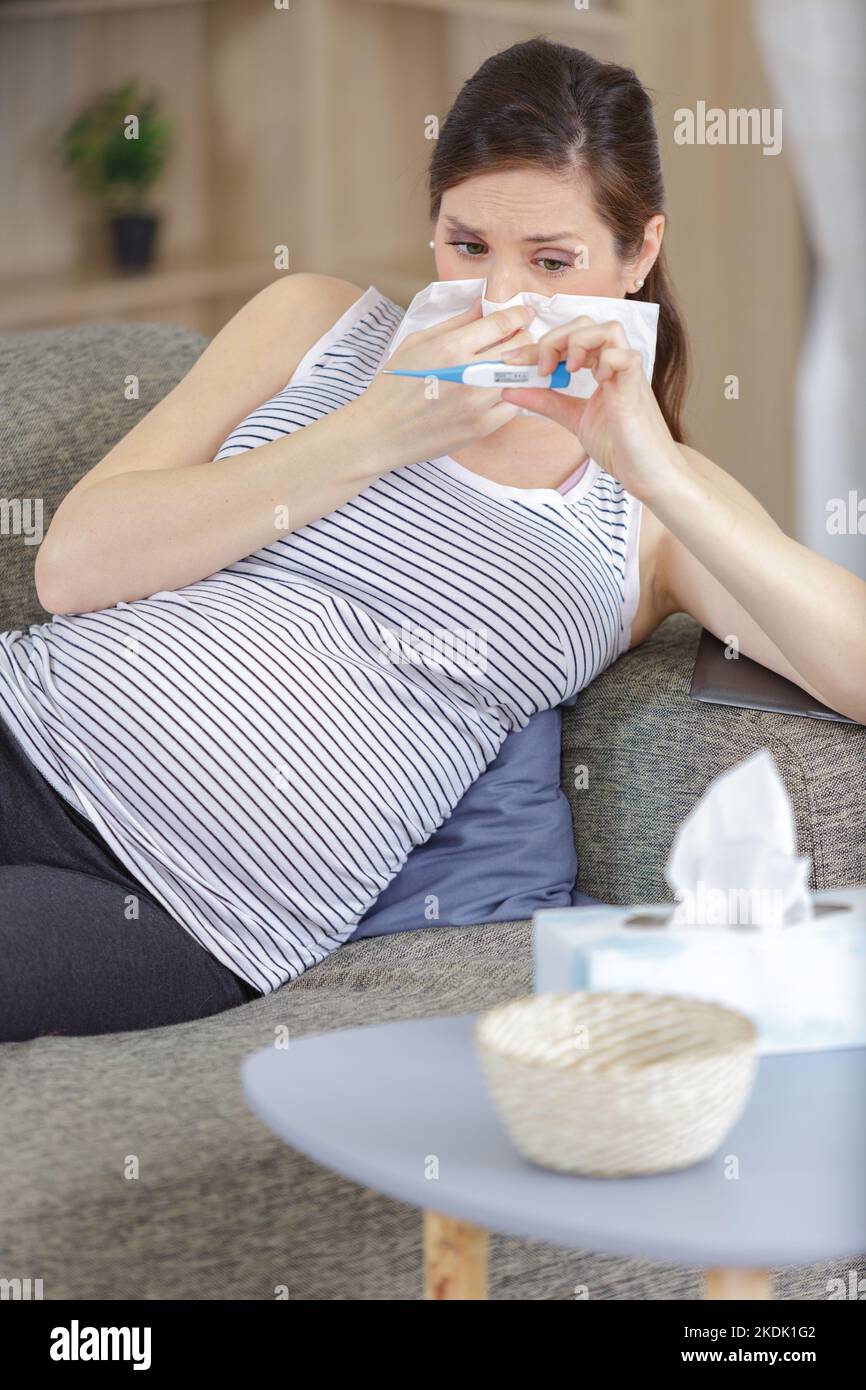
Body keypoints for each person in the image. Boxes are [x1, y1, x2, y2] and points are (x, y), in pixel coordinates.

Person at [2, 38, 864, 1042]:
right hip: (24, 722)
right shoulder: (313, 325)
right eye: (465, 246)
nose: (499, 300)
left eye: (549, 261)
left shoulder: (649, 514)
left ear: (635, 256)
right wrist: (369, 433)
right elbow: (70, 569)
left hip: (186, 897)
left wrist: (656, 465)